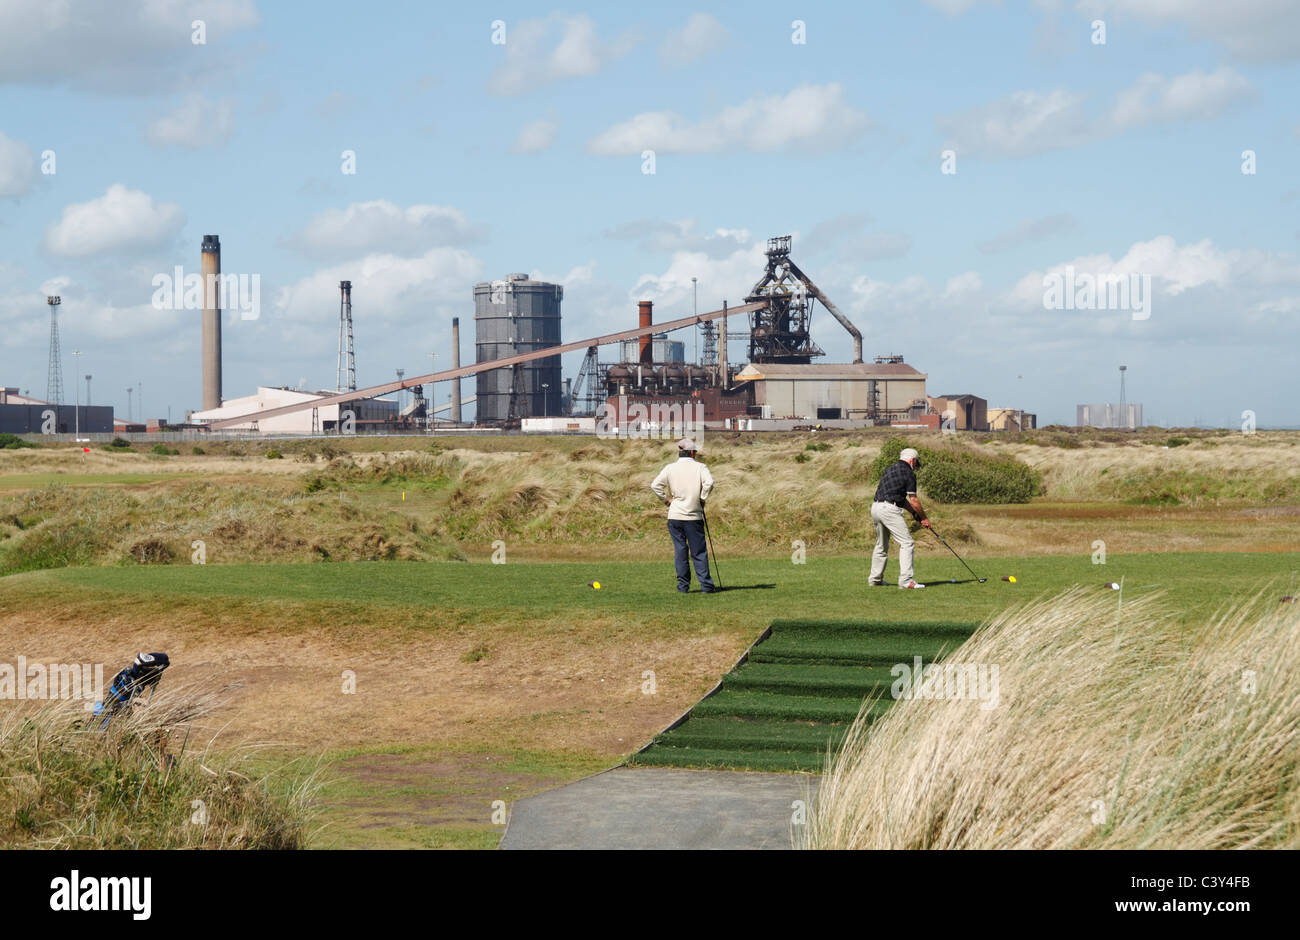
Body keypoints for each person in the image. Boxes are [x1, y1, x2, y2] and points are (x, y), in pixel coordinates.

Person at [651, 438, 717, 594]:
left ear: (680, 452)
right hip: (693, 516)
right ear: (693, 453)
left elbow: (655, 485)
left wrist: (666, 501)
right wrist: (702, 498)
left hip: (674, 516)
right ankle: (706, 586)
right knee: (698, 552)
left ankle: (683, 586)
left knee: (680, 551)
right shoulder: (700, 467)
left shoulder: (670, 468)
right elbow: (710, 483)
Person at [869, 447, 931, 589]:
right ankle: (906, 581)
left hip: (876, 507)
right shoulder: (908, 473)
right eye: (915, 463)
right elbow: (914, 500)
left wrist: (915, 515)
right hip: (889, 510)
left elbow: (901, 499)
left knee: (881, 545)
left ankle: (875, 580)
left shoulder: (889, 469)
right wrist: (924, 518)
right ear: (912, 460)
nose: (915, 466)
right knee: (907, 543)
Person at [96, 652, 170, 729]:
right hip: (114, 707)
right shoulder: (128, 679)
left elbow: (164, 659)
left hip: (116, 704)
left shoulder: (130, 678)